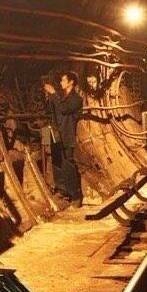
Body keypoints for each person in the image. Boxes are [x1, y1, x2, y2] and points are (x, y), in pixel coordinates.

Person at [55, 70, 83, 207]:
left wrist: (53, 94)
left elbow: (63, 109)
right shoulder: (61, 97)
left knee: (69, 164)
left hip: (68, 135)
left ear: (71, 82)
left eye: (63, 80)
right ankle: (63, 190)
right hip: (58, 134)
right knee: (59, 163)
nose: (61, 82)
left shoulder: (77, 99)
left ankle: (76, 195)